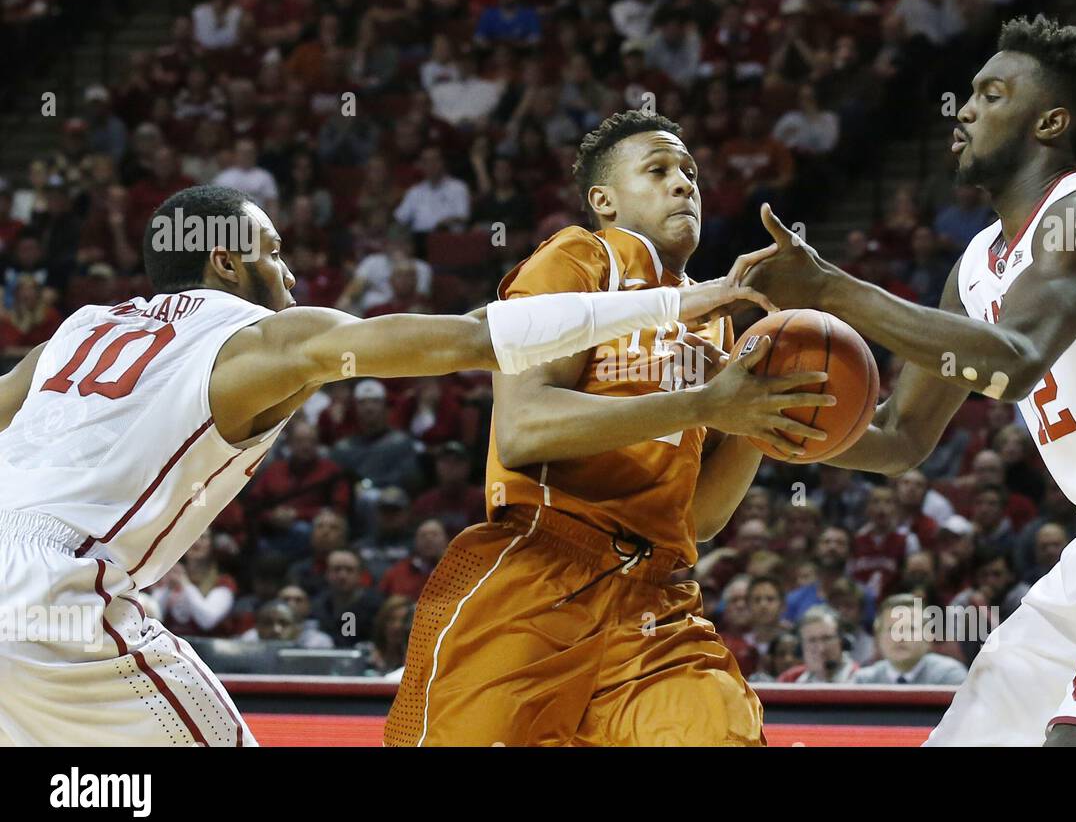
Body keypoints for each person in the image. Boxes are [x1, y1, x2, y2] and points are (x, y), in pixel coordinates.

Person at [0, 181, 776, 745]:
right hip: (58, 589)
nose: (292, 277)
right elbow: (480, 335)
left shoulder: (70, 335)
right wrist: (678, 302)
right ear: (227, 264)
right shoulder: (262, 340)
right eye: (273, 254)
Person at [743, 17, 1076, 746]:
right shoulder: (973, 268)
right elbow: (898, 438)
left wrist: (832, 288)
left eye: (991, 94)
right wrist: (751, 415)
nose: (964, 108)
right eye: (969, 93)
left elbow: (1013, 358)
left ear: (1050, 121)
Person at [384, 110, 835, 747]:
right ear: (605, 200)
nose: (684, 185)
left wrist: (766, 414)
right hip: (540, 572)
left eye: (690, 174)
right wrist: (706, 405)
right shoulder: (579, 257)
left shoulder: (718, 324)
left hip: (657, 601)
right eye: (658, 170)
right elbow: (525, 427)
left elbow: (699, 519)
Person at [852, 593, 968, 685]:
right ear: (878, 638)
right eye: (892, 630)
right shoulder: (863, 681)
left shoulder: (950, 677)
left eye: (910, 629)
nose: (900, 637)